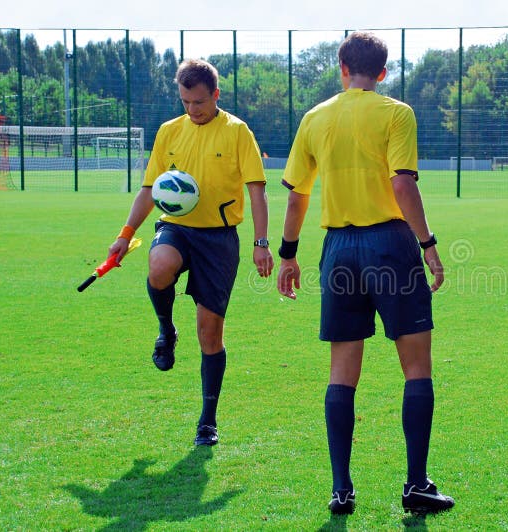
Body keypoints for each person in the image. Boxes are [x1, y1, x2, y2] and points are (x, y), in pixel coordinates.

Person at [276, 32, 454, 516]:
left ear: (341, 67)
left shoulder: (315, 118)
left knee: (342, 372)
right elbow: (402, 185)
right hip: (390, 245)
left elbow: (296, 196)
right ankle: (415, 485)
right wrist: (428, 245)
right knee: (416, 367)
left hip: (338, 250)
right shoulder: (396, 113)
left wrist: (288, 255)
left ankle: (341, 490)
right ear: (383, 71)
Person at [108, 58, 274, 447]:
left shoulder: (237, 132)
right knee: (159, 266)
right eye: (185, 101)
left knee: (209, 333)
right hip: (177, 228)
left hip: (218, 239)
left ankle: (207, 421)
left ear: (216, 94)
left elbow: (257, 190)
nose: (192, 109)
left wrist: (261, 243)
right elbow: (149, 190)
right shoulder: (169, 131)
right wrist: (125, 234)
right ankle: (166, 330)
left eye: (199, 102)